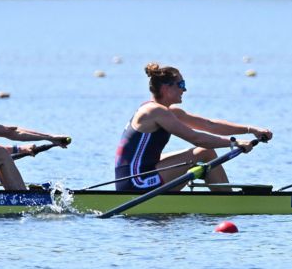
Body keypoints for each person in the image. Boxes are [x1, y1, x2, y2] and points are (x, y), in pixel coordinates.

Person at [115, 63, 273, 192]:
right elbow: (196, 139)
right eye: (181, 84)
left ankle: (225, 198)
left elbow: (209, 125)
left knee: (206, 153)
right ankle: (228, 202)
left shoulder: (168, 112)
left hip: (143, 173)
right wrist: (235, 143)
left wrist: (252, 129)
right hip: (136, 183)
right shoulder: (154, 111)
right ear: (165, 88)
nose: (184, 89)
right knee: (204, 152)